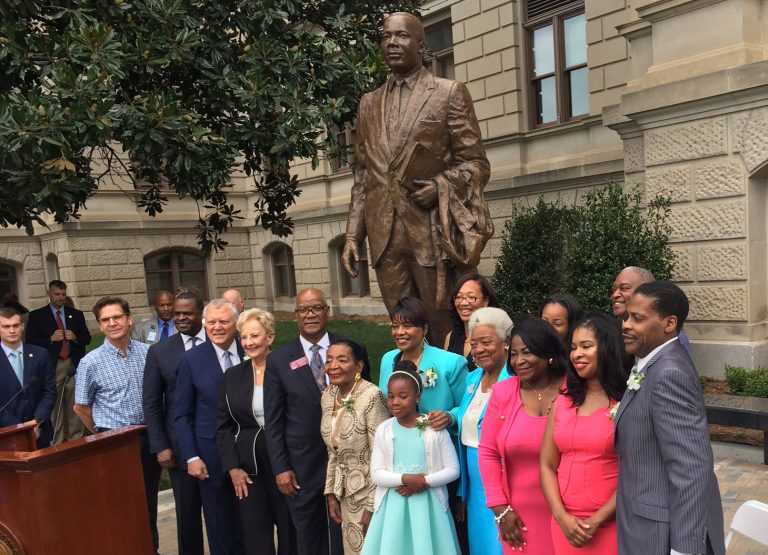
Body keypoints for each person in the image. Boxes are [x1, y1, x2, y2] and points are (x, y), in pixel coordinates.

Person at [342, 12, 492, 347]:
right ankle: (410, 391)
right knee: (401, 327)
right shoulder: (368, 103)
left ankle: (451, 390)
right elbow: (363, 174)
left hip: (430, 233)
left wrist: (441, 186)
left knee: (441, 323)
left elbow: (477, 164)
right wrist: (353, 234)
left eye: (402, 36)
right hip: (384, 237)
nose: (391, 43)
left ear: (421, 45)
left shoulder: (448, 93)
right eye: (385, 36)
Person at [615, 281, 725, 555]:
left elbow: (692, 469)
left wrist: (684, 550)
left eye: (638, 318)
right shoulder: (649, 363)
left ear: (669, 323)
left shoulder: (668, 373)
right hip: (645, 524)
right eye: (627, 316)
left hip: (662, 534)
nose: (626, 325)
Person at [264, 288, 370, 555]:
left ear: (327, 311)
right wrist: (281, 468)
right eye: (303, 309)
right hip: (301, 469)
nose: (310, 314)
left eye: (316, 308)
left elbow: (364, 399)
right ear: (295, 315)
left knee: (349, 534)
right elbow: (273, 421)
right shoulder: (278, 360)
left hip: (349, 467)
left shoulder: (352, 348)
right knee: (309, 538)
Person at [73, 296, 162, 554]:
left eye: (117, 317)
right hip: (113, 441)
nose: (112, 323)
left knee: (148, 499)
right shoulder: (90, 362)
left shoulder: (149, 354)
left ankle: (150, 548)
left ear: (129, 319)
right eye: (105, 320)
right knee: (119, 503)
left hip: (147, 438)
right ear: (100, 326)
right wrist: (102, 434)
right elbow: (80, 407)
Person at [479, 317, 568, 554]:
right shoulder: (504, 393)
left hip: (570, 510)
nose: (519, 361)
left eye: (527, 353)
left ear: (548, 352)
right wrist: (500, 510)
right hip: (517, 516)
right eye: (514, 353)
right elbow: (487, 452)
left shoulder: (574, 391)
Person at [540, 313, 628, 554]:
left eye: (586, 346)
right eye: (573, 347)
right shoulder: (562, 402)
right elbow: (547, 464)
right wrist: (561, 516)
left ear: (608, 349)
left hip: (610, 525)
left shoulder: (627, 404)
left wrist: (596, 521)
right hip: (565, 526)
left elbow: (636, 472)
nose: (577, 354)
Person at [216, 308, 296, 555]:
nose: (249, 343)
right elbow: (222, 426)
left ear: (270, 337)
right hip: (248, 469)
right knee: (254, 534)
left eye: (255, 336)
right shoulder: (233, 376)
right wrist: (232, 467)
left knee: (289, 530)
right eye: (244, 337)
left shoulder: (288, 368)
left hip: (286, 462)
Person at [362, 361, 461, 555]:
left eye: (403, 396)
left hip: (428, 505)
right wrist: (406, 479)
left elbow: (453, 469)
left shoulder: (434, 429)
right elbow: (377, 473)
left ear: (417, 396)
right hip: (393, 505)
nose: (395, 402)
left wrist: (423, 481)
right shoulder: (384, 429)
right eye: (391, 397)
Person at [175, 299, 245, 555]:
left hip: (251, 454)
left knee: (251, 524)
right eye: (211, 322)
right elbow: (182, 414)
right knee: (220, 525)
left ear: (236, 324)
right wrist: (192, 456)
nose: (217, 327)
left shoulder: (250, 350)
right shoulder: (190, 360)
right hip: (210, 457)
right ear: (204, 325)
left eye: (224, 321)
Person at [142, 291, 205, 555]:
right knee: (187, 513)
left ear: (201, 313)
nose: (180, 318)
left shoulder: (219, 341)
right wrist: (161, 446)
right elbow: (153, 403)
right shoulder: (159, 352)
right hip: (179, 446)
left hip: (218, 440)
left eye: (187, 313)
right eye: (177, 313)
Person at [321, 340, 390, 555]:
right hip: (345, 494)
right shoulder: (328, 395)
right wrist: (331, 493)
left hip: (370, 493)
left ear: (358, 366)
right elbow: (333, 451)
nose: (333, 366)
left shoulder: (372, 396)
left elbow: (383, 455)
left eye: (342, 360)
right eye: (329, 360)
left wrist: (372, 505)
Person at [455, 307, 513, 555]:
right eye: (474, 343)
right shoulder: (473, 379)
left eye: (487, 342)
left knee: (500, 544)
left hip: (503, 476)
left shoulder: (514, 380)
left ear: (506, 343)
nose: (479, 349)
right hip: (474, 478)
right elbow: (467, 417)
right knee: (480, 545)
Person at [378, 297, 467, 434]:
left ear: (424, 329)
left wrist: (450, 417)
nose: (400, 332)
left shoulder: (451, 363)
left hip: (438, 441)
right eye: (395, 326)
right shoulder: (388, 359)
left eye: (407, 326)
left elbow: (468, 405)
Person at [25, 279, 91, 444]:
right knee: (55, 404)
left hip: (73, 364)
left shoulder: (76, 314)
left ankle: (76, 439)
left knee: (75, 401)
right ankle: (58, 440)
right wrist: (50, 339)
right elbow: (30, 342)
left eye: (63, 294)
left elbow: (87, 338)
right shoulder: (36, 316)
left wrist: (75, 337)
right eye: (57, 294)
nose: (60, 298)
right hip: (52, 365)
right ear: (49, 294)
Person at [0, 307, 56, 447]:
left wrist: (36, 421)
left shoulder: (40, 354)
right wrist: (21, 429)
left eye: (16, 325)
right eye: (6, 326)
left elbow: (50, 391)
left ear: (22, 327)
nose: (12, 330)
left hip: (39, 431)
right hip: (6, 435)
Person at [443, 272, 499, 370]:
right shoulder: (451, 337)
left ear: (486, 301)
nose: (463, 303)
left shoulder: (498, 337)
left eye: (471, 297)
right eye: (459, 297)